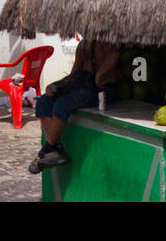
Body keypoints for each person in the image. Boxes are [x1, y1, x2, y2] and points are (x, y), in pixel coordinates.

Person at [28, 38, 120, 174]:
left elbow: (115, 54)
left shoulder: (109, 43)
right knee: (43, 102)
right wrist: (56, 85)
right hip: (83, 87)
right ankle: (56, 147)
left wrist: (101, 73)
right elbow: (74, 75)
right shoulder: (83, 46)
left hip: (103, 90)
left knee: (62, 105)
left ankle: (47, 148)